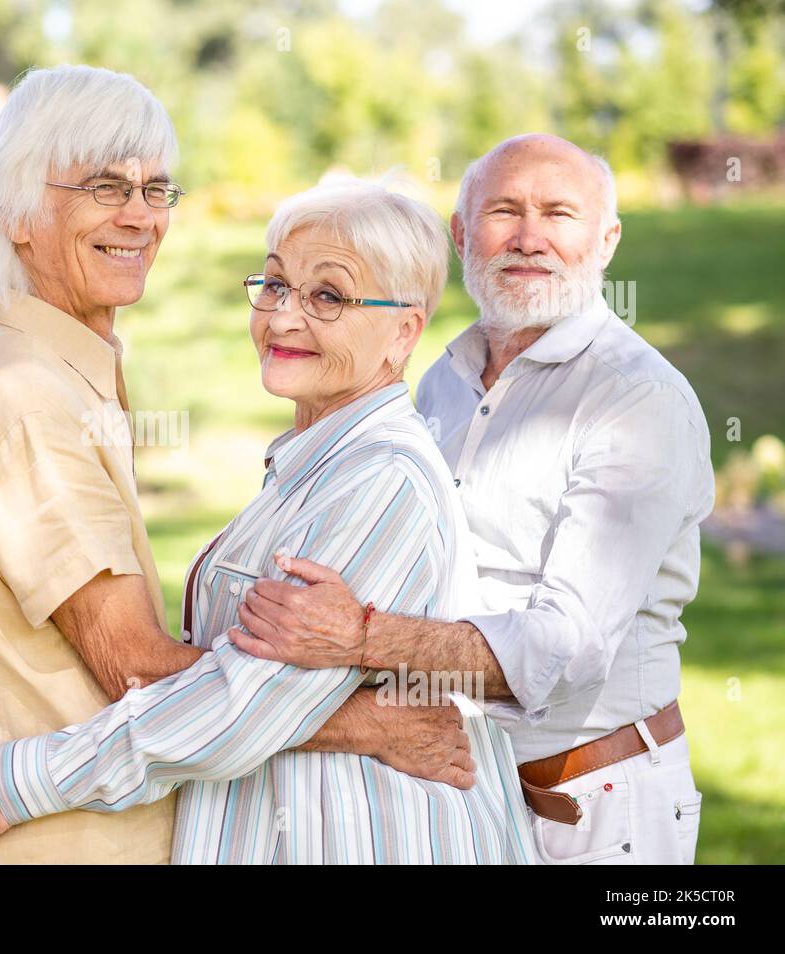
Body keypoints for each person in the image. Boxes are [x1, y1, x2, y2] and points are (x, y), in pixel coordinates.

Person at [0, 66, 477, 864]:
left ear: (405, 331)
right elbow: (134, 662)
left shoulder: (40, 362)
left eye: (155, 189)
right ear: (21, 213)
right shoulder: (24, 391)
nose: (140, 216)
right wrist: (374, 723)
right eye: (106, 186)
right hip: (46, 841)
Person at [230, 134, 713, 865]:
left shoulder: (635, 401)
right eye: (504, 211)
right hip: (456, 790)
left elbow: (567, 646)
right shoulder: (444, 379)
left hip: (590, 806)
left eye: (559, 213)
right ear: (460, 234)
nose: (529, 237)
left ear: (607, 238)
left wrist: (361, 636)